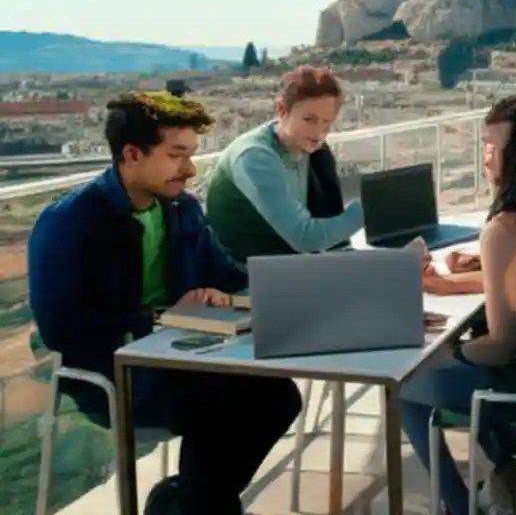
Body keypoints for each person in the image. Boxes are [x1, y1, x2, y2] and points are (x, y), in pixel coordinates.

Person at [27, 92, 302, 515]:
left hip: (183, 357)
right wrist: (162, 319)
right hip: (112, 373)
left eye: (190, 156)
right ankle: (195, 503)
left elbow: (227, 274)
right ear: (132, 155)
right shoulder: (68, 222)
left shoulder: (183, 210)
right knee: (224, 406)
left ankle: (186, 499)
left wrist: (234, 294)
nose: (190, 170)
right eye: (177, 156)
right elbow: (62, 328)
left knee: (280, 396)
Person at [396, 94, 516, 515]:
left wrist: (443, 352)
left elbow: (502, 344)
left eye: (492, 147)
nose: (484, 158)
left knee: (404, 383)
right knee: (450, 365)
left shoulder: (507, 228)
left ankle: (457, 504)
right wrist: (446, 287)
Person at [204, 65, 363, 261]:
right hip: (243, 273)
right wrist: (369, 210)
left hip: (289, 263)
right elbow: (305, 238)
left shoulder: (314, 151)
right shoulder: (255, 157)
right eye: (309, 119)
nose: (319, 132)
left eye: (326, 123)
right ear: (281, 110)